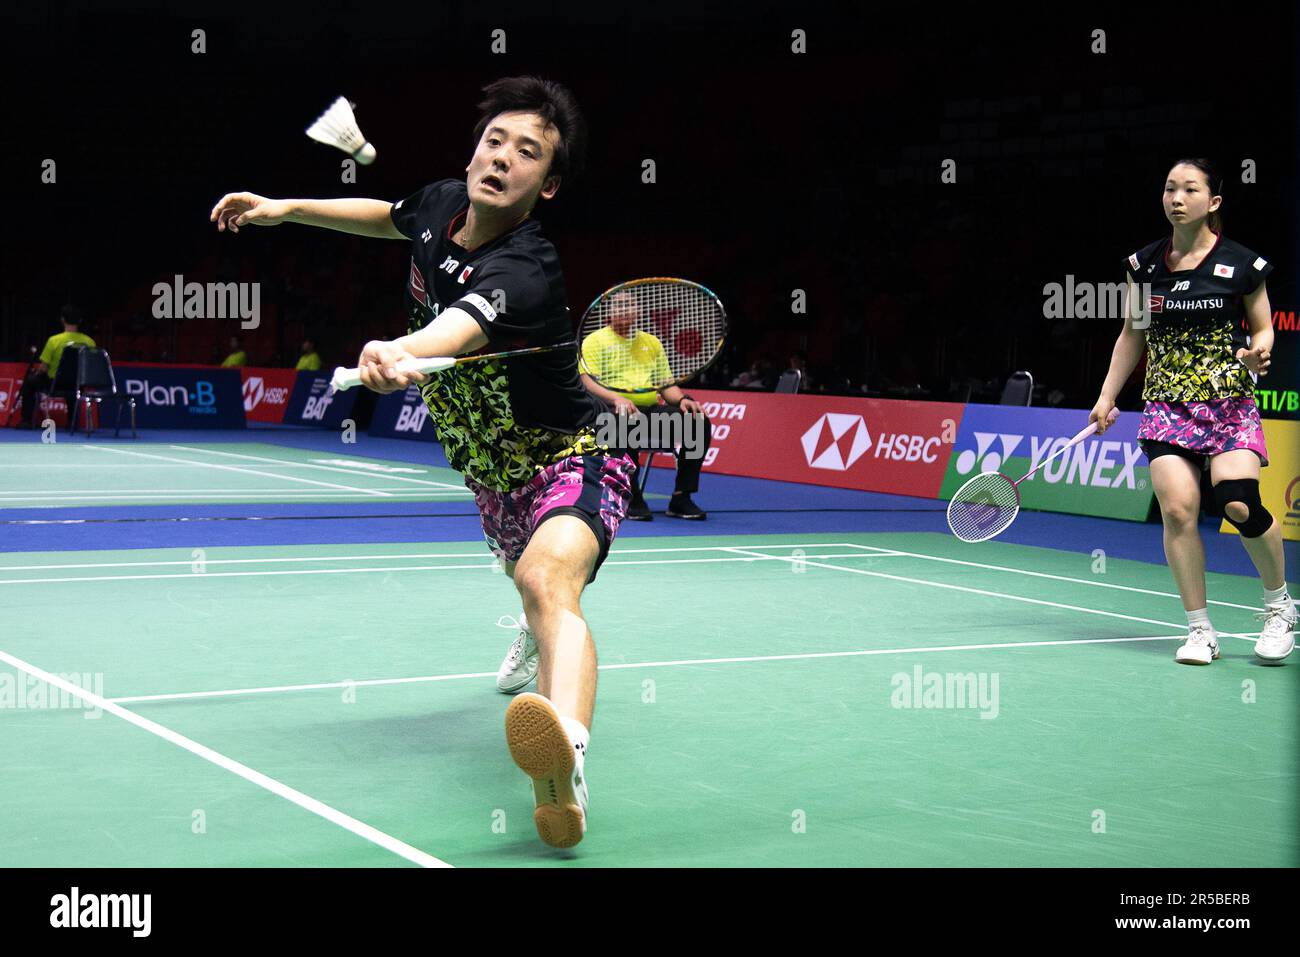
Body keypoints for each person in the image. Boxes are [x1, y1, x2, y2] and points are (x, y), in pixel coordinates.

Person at [211, 76, 627, 848]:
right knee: (523, 571)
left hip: (570, 452)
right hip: (488, 465)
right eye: (495, 140)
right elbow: (389, 218)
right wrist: (284, 207)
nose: (502, 158)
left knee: (547, 578)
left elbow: (464, 324)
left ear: (550, 185)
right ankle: (538, 638)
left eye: (527, 152)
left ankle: (565, 752)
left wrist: (401, 350)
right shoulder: (443, 202)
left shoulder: (525, 268)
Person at [1091, 158, 1293, 665]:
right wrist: (1107, 395)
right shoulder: (1144, 266)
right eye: (1169, 189)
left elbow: (1263, 327)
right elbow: (1132, 334)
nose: (1176, 198)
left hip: (1228, 404)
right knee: (1178, 510)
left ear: (1213, 202)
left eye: (1189, 189)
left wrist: (1258, 351)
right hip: (1166, 406)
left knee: (1239, 503)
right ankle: (1200, 629)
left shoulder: (1242, 265)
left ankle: (1279, 605)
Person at [579, 290, 711, 521]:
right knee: (623, 419)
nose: (623, 309)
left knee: (696, 421)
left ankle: (681, 497)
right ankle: (631, 494)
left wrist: (682, 400)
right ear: (608, 313)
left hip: (649, 413)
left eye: (629, 304)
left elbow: (666, 385)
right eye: (617, 305)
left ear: (638, 310)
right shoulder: (595, 341)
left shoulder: (651, 342)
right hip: (610, 413)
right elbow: (587, 382)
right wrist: (616, 398)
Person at [18, 305, 94, 429]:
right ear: (80, 321)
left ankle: (26, 421)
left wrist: (37, 371)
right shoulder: (89, 342)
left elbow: (43, 368)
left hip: (54, 383)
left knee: (30, 381)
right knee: (73, 382)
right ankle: (72, 423)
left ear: (62, 320)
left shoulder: (54, 340)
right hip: (78, 384)